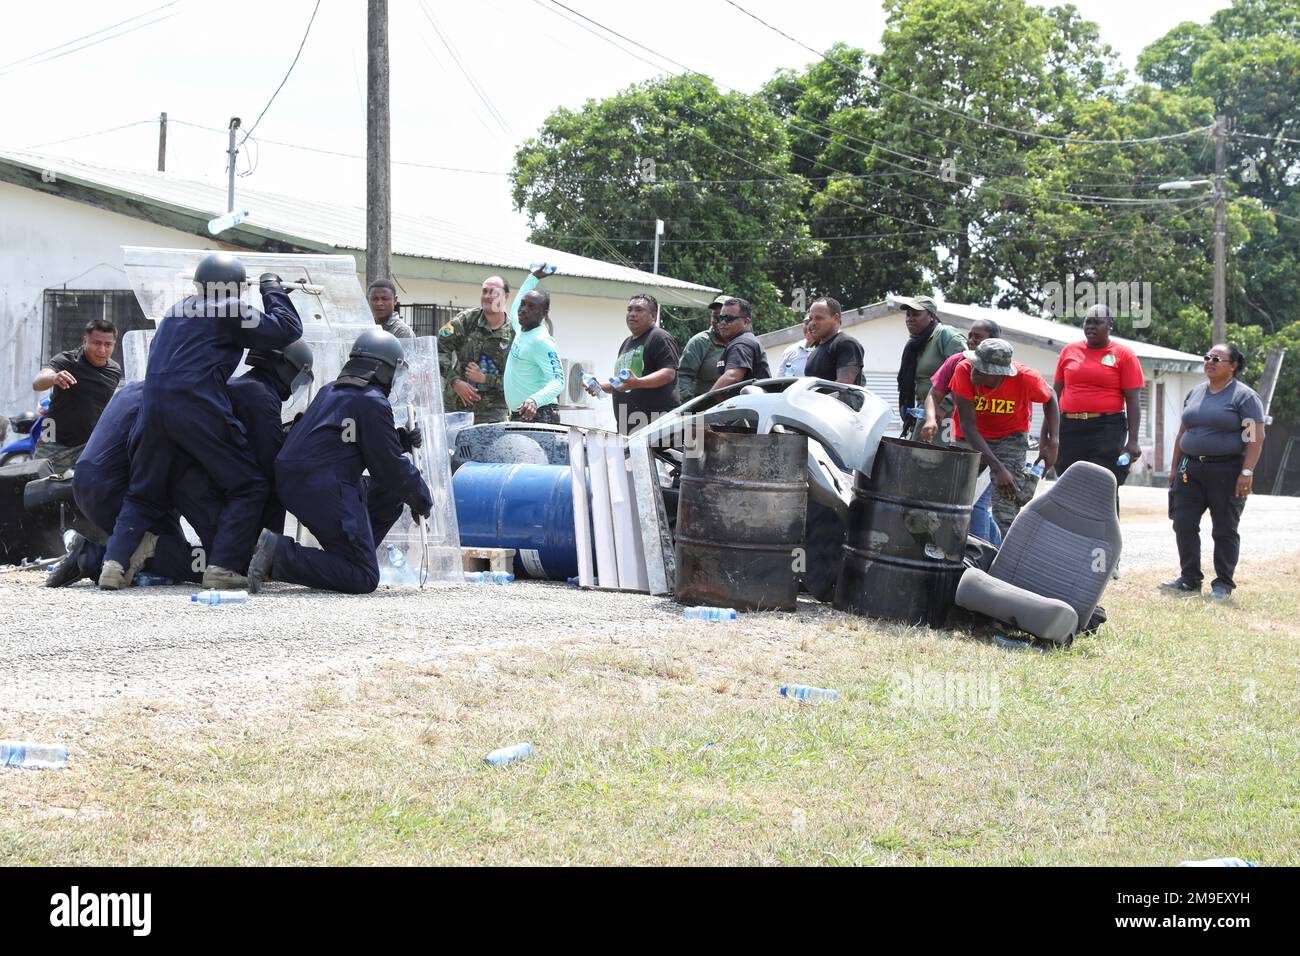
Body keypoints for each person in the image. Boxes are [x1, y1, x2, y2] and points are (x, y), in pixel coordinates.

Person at [98, 253, 303, 591]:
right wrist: (272, 288)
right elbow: (286, 330)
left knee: (143, 493)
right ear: (234, 288)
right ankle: (221, 567)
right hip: (196, 406)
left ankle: (114, 564)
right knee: (248, 484)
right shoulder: (230, 310)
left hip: (152, 410)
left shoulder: (175, 312)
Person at [51, 343, 312, 588]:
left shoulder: (142, 390)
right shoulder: (239, 395)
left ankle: (105, 556)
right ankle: (94, 557)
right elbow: (265, 466)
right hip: (117, 487)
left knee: (172, 551)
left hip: (91, 483)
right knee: (216, 561)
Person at [246, 329, 432, 595]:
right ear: (384, 369)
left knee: (390, 495)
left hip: (300, 482)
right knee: (363, 578)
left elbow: (347, 440)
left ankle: (348, 556)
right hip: (325, 486)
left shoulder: (330, 391)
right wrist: (422, 499)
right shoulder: (372, 401)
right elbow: (390, 466)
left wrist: (398, 439)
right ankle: (280, 554)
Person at [1161, 343, 1265, 600]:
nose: (1210, 361)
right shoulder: (1195, 393)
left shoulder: (1244, 397)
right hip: (1190, 468)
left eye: (1217, 358)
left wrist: (1247, 472)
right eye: (1207, 357)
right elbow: (1183, 433)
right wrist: (1174, 469)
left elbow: (1255, 438)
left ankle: (1223, 583)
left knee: (1224, 528)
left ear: (1234, 365)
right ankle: (1189, 579)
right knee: (1183, 523)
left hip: (1227, 470)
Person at [950, 338, 1060, 537]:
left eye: (981, 369)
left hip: (1010, 437)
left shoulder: (1026, 378)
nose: (974, 370)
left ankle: (1001, 559)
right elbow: (967, 425)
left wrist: (1053, 441)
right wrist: (997, 467)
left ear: (998, 373)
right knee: (956, 497)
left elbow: (1051, 396)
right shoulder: (963, 370)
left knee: (1008, 502)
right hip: (972, 436)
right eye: (975, 363)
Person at [919, 318, 1002, 543]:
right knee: (966, 500)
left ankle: (981, 555)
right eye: (971, 336)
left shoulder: (1004, 368)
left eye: (978, 337)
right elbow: (933, 395)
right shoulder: (957, 362)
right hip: (964, 441)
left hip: (995, 444)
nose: (972, 340)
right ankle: (996, 547)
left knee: (977, 503)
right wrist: (930, 419)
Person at [1054, 303, 1144, 505]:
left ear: (1110, 324)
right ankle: (1069, 536)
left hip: (1106, 429)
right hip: (1069, 428)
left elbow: (1132, 399)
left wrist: (1133, 440)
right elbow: (1055, 394)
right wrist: (1050, 435)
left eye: (1097, 322)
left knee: (1102, 486)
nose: (1091, 327)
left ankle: (1104, 537)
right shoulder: (1069, 351)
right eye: (1087, 322)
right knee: (1067, 486)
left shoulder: (1124, 355)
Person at [30, 318, 122, 472]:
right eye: (96, 343)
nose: (102, 350)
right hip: (52, 435)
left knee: (86, 491)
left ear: (114, 345)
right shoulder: (66, 361)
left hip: (89, 443)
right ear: (85, 340)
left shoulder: (114, 370)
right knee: (36, 484)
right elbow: (37, 382)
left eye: (108, 345)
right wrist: (54, 378)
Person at [600, 293, 681, 434]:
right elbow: (625, 383)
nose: (632, 314)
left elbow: (668, 373)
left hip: (656, 425)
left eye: (639, 310)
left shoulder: (659, 337)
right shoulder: (627, 343)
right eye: (629, 309)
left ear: (653, 316)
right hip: (629, 427)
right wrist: (599, 386)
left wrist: (638, 382)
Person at [438, 275, 513, 422]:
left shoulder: (514, 332)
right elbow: (439, 350)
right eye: (484, 291)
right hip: (456, 408)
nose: (487, 296)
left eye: (493, 292)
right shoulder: (465, 320)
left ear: (506, 296)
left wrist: (486, 379)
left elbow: (516, 379)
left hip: (493, 413)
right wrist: (455, 382)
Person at [894, 294, 966, 441]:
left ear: (932, 316)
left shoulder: (946, 335)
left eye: (916, 314)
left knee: (933, 460)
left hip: (945, 415)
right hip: (924, 411)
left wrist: (942, 407)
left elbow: (963, 374)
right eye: (908, 314)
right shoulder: (917, 344)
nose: (910, 318)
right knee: (916, 458)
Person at [503, 265, 565, 424]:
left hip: (540, 413)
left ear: (544, 314)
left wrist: (534, 400)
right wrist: (533, 277)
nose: (523, 310)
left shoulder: (541, 341)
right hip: (520, 414)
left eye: (531, 307)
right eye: (524, 304)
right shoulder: (521, 329)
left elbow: (558, 382)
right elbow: (514, 307)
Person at [710, 298, 771, 389]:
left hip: (752, 402)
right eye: (720, 318)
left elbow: (732, 377)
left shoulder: (741, 344)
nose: (722, 323)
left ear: (745, 322)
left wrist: (706, 401)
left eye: (729, 318)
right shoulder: (742, 340)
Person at [802, 297, 864, 385]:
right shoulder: (815, 350)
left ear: (836, 318)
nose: (812, 323)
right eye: (810, 319)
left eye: (818, 318)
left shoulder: (846, 343)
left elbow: (842, 386)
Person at [677, 305, 728, 400]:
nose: (719, 322)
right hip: (705, 405)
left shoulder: (742, 342)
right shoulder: (700, 342)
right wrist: (690, 404)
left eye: (724, 318)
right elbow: (683, 376)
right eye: (715, 317)